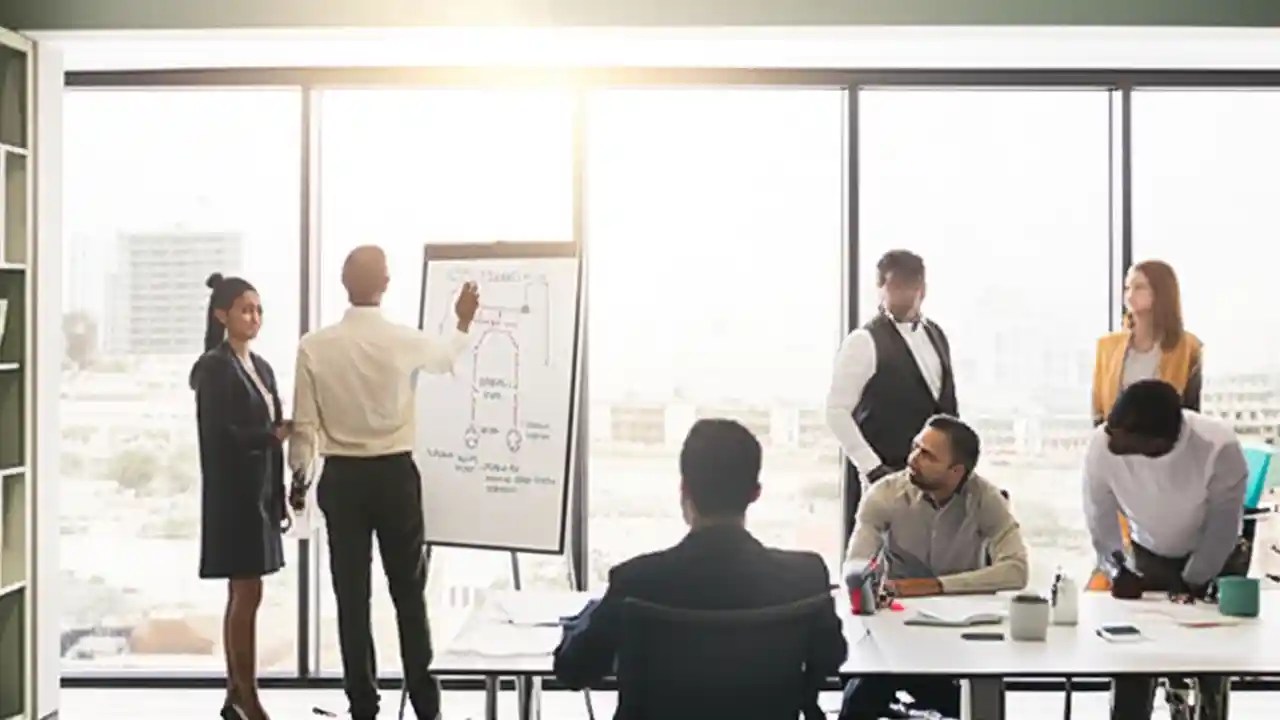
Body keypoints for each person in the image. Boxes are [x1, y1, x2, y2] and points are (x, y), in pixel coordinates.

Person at [289, 246, 480, 720]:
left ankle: (363, 706)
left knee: (352, 599)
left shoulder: (314, 346)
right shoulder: (404, 340)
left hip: (343, 479)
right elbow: (445, 358)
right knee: (409, 595)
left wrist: (298, 479)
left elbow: (305, 429)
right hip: (395, 476)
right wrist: (461, 322)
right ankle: (425, 704)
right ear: (386, 283)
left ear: (341, 281)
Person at [553, 419, 846, 719]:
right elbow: (831, 657)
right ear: (755, 493)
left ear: (684, 489)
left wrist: (582, 623)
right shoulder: (806, 578)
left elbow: (574, 670)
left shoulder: (636, 582)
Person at [838, 414, 1027, 720]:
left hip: (960, 636)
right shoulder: (885, 494)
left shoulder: (986, 499)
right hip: (897, 631)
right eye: (915, 447)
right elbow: (855, 566)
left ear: (956, 471)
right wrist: (867, 585)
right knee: (857, 701)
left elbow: (1016, 570)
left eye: (927, 455)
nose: (913, 458)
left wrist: (934, 585)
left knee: (980, 707)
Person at [1084, 380, 1249, 720]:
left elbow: (1223, 528)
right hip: (1149, 554)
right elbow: (1099, 518)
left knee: (1210, 664)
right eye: (1112, 429)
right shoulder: (1102, 446)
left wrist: (1192, 581)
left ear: (1159, 444)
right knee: (1135, 657)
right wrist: (1117, 570)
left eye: (1123, 436)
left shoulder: (1218, 446)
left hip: (1215, 558)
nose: (1111, 440)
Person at [190, 273, 291, 720]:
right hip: (233, 498)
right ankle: (247, 697)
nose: (254, 317)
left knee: (248, 594)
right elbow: (220, 435)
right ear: (221, 315)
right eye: (245, 309)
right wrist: (270, 437)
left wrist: (281, 495)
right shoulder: (213, 367)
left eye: (258, 309)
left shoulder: (262, 367)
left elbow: (276, 433)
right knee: (246, 593)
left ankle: (236, 696)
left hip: (261, 495)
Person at [826, 249, 957, 546]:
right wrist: (873, 469)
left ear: (922, 289)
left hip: (937, 487)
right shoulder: (863, 341)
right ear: (881, 288)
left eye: (910, 286)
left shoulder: (936, 335)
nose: (903, 295)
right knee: (879, 567)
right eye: (894, 286)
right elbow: (836, 411)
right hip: (886, 480)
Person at [1092, 259, 1202, 426]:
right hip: (1116, 444)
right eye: (1127, 288)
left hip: (1169, 445)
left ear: (1161, 292)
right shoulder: (1107, 348)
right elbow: (1098, 412)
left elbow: (1191, 413)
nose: (1129, 295)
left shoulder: (1188, 348)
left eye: (1139, 287)